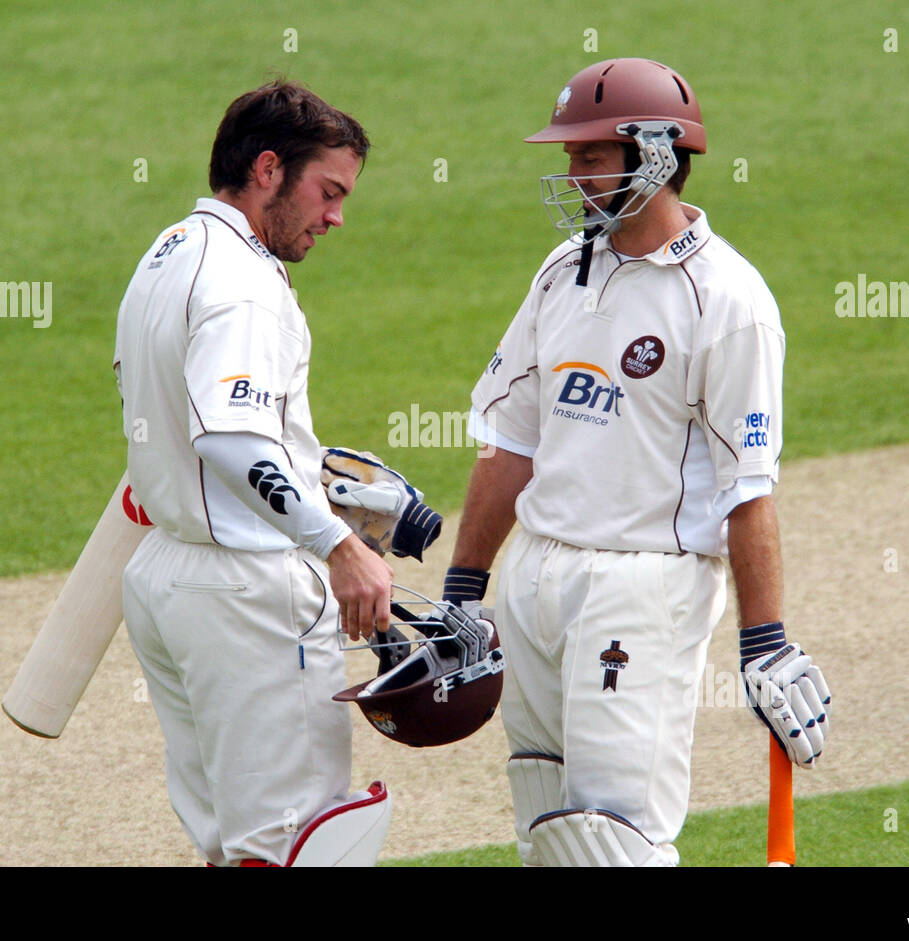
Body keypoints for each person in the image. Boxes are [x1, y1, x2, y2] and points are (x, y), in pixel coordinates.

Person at [443, 58, 831, 866]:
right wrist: (464, 590)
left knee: (613, 837)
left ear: (655, 154)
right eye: (569, 157)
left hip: (640, 590)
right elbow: (512, 441)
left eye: (589, 156)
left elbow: (747, 486)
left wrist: (766, 640)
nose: (572, 174)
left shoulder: (726, 299)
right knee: (546, 826)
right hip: (535, 579)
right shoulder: (561, 272)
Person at [113, 81, 413, 866]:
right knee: (294, 845)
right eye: (329, 191)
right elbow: (232, 441)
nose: (337, 216)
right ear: (270, 169)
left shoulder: (168, 252)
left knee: (229, 841)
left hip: (166, 581)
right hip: (244, 591)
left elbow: (196, 429)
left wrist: (321, 482)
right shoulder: (243, 284)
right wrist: (340, 547)